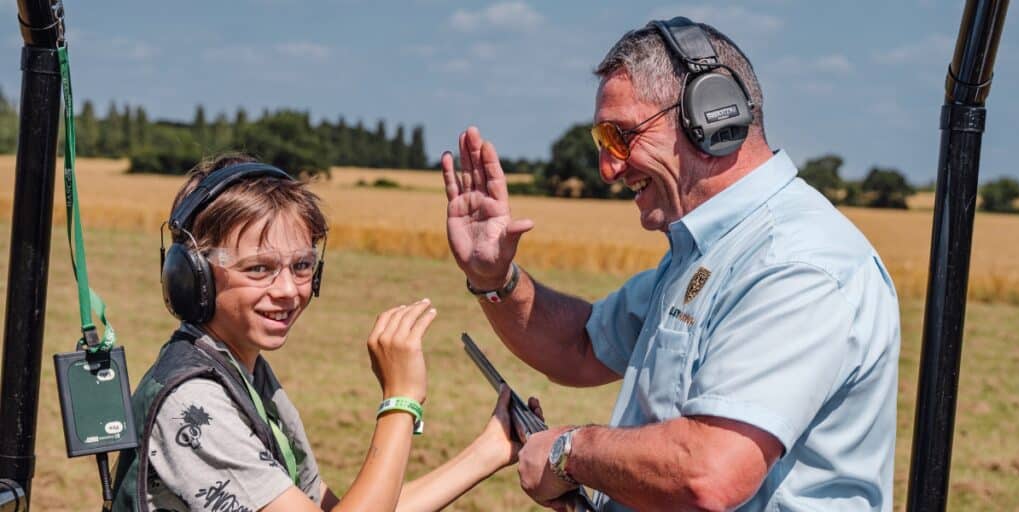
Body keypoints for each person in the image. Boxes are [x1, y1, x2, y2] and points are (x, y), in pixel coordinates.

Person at [441, 17, 900, 511]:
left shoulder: (796, 264)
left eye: (621, 137)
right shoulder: (710, 251)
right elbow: (579, 345)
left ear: (711, 114)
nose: (609, 168)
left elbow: (709, 474)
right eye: (602, 142)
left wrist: (566, 452)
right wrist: (495, 278)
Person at [110, 153, 532, 512]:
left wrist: (490, 450)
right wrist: (400, 400)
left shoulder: (245, 374)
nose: (289, 291)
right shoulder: (194, 402)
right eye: (259, 269)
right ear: (191, 277)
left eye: (302, 265)